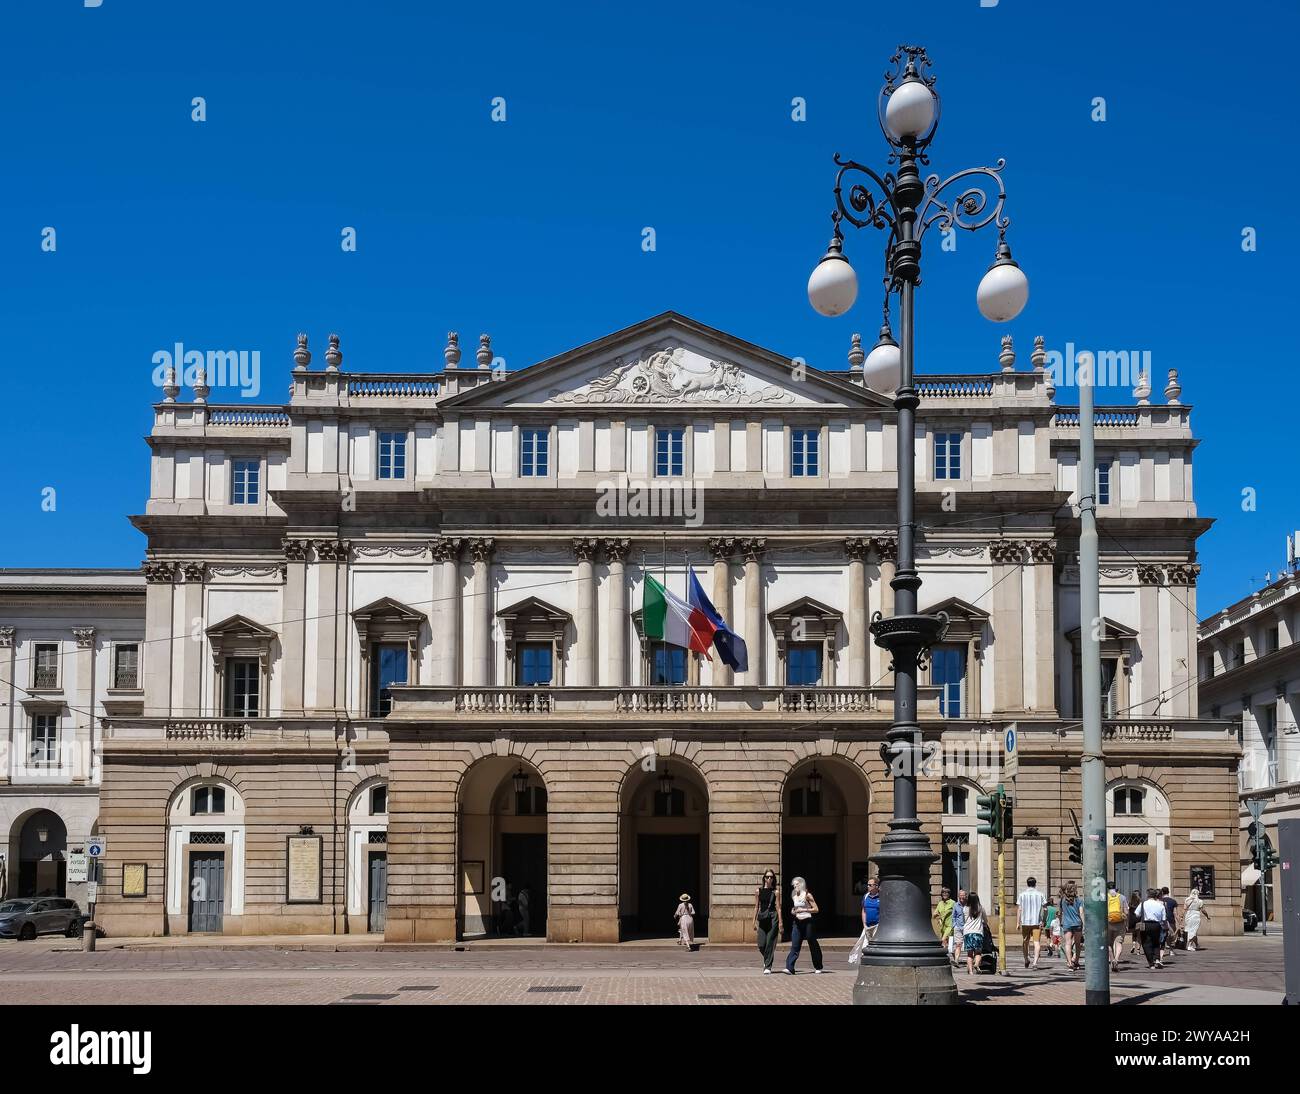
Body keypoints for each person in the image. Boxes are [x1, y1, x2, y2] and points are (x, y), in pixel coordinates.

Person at [784, 876, 824, 974]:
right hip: (797, 922)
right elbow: (795, 907)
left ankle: (818, 966)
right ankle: (790, 968)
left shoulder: (807, 895)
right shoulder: (793, 894)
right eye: (794, 884)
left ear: (802, 884)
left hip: (808, 922)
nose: (795, 886)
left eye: (797, 884)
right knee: (795, 944)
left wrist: (804, 910)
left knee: (812, 942)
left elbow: (816, 909)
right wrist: (793, 911)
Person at [754, 869, 782, 973]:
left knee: (770, 941)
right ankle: (767, 959)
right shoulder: (758, 891)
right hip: (762, 918)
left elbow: (778, 907)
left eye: (771, 877)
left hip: (773, 918)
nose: (769, 879)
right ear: (764, 878)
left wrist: (780, 922)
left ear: (773, 879)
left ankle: (768, 967)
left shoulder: (776, 892)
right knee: (761, 944)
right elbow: (756, 907)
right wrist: (753, 921)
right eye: (767, 877)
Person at [1016, 876, 1046, 969]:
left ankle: (1026, 959)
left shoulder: (1022, 895)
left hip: (1025, 922)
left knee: (1025, 941)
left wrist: (1018, 922)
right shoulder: (1040, 894)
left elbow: (1019, 909)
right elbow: (1045, 909)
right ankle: (1035, 963)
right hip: (1036, 922)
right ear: (1035, 884)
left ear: (1027, 884)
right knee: (1036, 942)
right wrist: (1044, 920)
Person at [1059, 881, 1085, 971]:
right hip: (1077, 924)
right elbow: (1081, 913)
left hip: (1066, 924)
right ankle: (1076, 961)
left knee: (1067, 943)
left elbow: (1060, 913)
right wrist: (1084, 923)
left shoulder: (1062, 900)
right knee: (1078, 944)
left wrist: (1060, 922)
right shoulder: (1079, 900)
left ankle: (1070, 963)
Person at [1139, 887, 1166, 969]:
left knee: (1146, 943)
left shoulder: (1143, 904)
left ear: (1147, 895)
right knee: (1156, 943)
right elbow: (1164, 919)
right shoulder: (1160, 905)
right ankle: (1157, 959)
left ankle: (1151, 963)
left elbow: (1137, 913)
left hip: (1146, 924)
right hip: (1157, 925)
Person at [962, 892, 986, 977]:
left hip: (967, 933)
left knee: (969, 954)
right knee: (978, 952)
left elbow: (964, 920)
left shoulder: (965, 908)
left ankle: (971, 972)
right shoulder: (981, 908)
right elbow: (985, 920)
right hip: (978, 933)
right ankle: (976, 964)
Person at [1106, 881, 1128, 972]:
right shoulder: (1122, 897)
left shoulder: (1105, 897)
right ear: (1115, 887)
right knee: (1118, 943)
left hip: (1108, 922)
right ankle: (1116, 959)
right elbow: (1126, 912)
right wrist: (1126, 923)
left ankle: (1111, 960)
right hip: (1120, 922)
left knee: (1108, 943)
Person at [933, 887, 956, 957]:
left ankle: (944, 956)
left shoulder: (953, 903)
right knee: (948, 944)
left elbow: (957, 913)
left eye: (947, 893)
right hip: (942, 927)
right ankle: (955, 958)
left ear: (949, 894)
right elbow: (934, 915)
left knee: (943, 940)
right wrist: (937, 916)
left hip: (950, 925)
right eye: (943, 892)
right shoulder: (940, 903)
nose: (945, 894)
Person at [861, 876, 881, 945]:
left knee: (876, 946)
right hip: (867, 927)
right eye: (868, 885)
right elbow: (864, 910)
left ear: (876, 886)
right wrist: (864, 923)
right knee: (866, 946)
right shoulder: (865, 896)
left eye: (870, 885)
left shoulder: (881, 897)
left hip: (877, 927)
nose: (868, 886)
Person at [1160, 886, 1179, 958]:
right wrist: (1180, 922)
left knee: (1162, 936)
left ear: (1162, 892)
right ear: (1168, 892)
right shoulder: (1173, 901)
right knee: (1171, 936)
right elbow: (1175, 913)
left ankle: (1162, 951)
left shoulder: (1160, 900)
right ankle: (1171, 951)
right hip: (1171, 920)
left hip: (1162, 920)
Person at [950, 888, 967, 966]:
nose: (962, 896)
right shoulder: (956, 905)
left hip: (968, 928)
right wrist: (954, 925)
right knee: (958, 944)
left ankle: (972, 961)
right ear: (958, 896)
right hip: (958, 927)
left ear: (966, 896)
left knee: (970, 946)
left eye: (963, 895)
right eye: (961, 895)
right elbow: (953, 916)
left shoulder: (968, 905)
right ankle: (956, 960)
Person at [1128, 889, 1143, 955]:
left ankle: (1133, 945)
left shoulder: (1130, 902)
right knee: (1139, 935)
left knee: (1133, 934)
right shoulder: (1141, 903)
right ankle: (1138, 950)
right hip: (1138, 920)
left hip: (1131, 920)